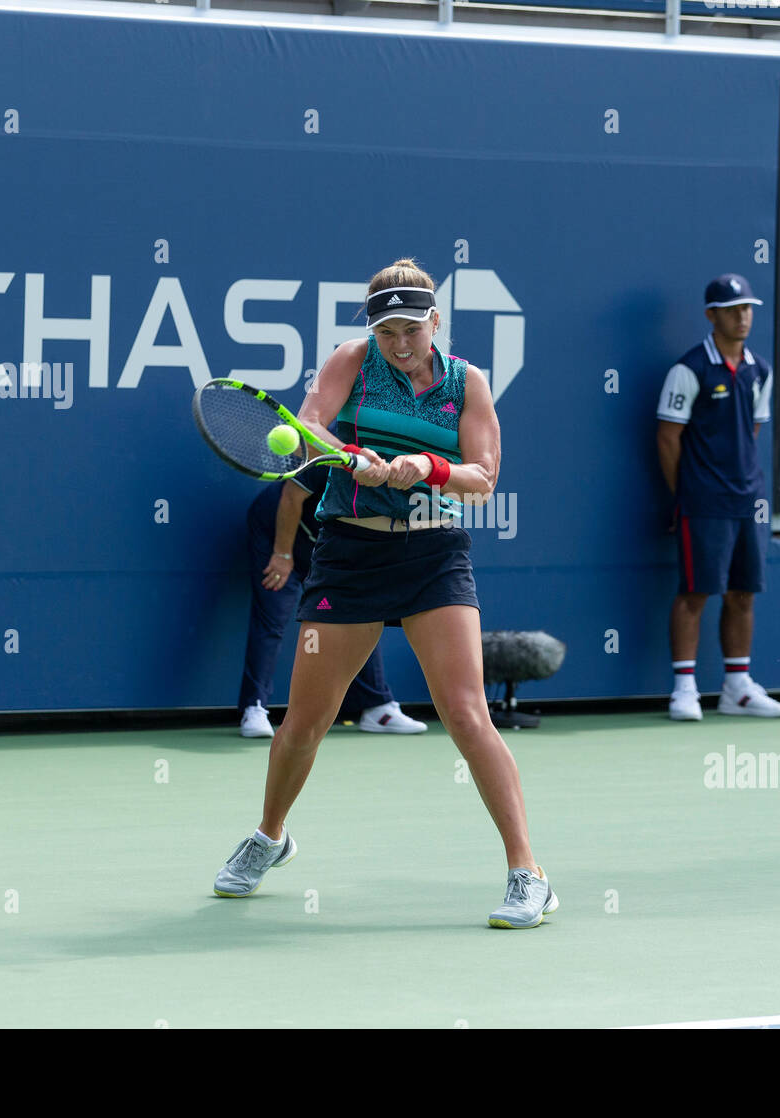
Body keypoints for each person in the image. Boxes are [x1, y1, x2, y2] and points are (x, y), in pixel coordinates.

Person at [213, 258, 555, 929]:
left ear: (436, 322)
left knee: (464, 712)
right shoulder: (352, 360)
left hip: (434, 555)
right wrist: (351, 456)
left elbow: (483, 477)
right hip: (351, 555)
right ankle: (270, 836)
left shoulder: (467, 384)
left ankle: (528, 873)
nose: (399, 342)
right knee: (305, 723)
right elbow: (308, 426)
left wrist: (422, 467)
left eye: (412, 328)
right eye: (387, 330)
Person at [655, 273, 780, 721]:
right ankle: (685, 690)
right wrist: (686, 494)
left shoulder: (760, 369)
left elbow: (751, 431)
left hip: (746, 500)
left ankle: (737, 687)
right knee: (695, 593)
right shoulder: (689, 369)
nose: (743, 317)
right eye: (733, 310)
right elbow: (668, 438)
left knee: (743, 593)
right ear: (712, 315)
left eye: (748, 308)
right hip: (702, 501)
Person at [236, 472, 426, 738]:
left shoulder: (402, 471)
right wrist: (282, 554)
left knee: (361, 612)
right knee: (274, 614)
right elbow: (290, 497)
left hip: (326, 539)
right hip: (279, 530)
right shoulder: (340, 445)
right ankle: (253, 708)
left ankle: (377, 708)